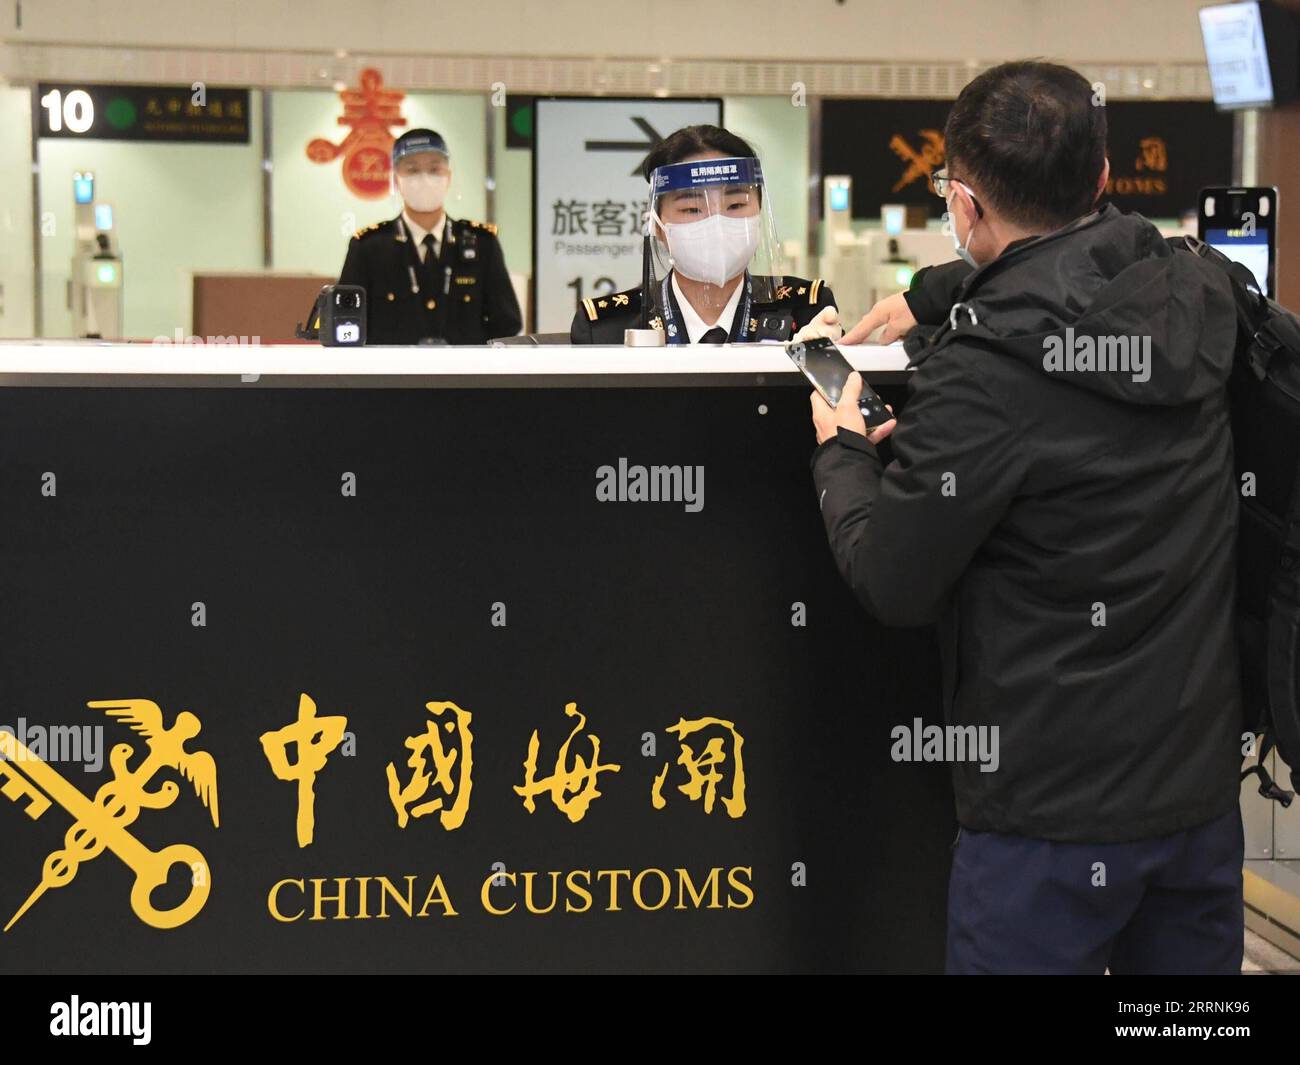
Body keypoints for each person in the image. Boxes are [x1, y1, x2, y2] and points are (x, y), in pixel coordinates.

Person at [811, 60, 1245, 974]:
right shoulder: (1191, 294)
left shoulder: (984, 373)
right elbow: (1085, 272)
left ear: (964, 206)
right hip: (1197, 805)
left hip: (1046, 825)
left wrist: (844, 450)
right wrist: (933, 296)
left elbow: (893, 576)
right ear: (1101, 177)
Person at [570, 125, 841, 344]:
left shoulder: (805, 311)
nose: (717, 223)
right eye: (692, 209)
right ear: (657, 225)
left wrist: (816, 363)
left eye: (735, 205)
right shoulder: (607, 327)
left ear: (758, 214)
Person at [338, 128, 521, 345]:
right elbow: (345, 324)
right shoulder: (369, 248)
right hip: (392, 376)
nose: (424, 179)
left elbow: (507, 323)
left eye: (434, 169)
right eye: (412, 170)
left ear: (448, 177)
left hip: (463, 375)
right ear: (396, 180)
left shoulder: (482, 244)